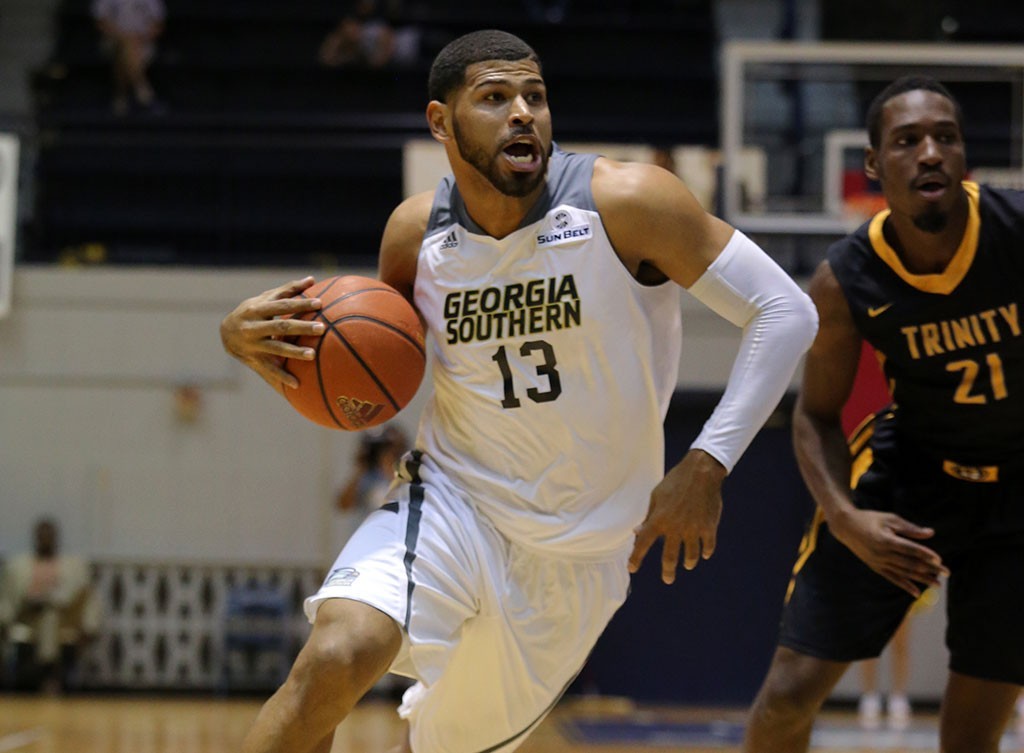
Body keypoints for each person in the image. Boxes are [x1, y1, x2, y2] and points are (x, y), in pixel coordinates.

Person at [220, 29, 817, 753]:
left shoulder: (629, 202)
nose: (523, 113)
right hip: (453, 502)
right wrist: (254, 341)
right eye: (495, 98)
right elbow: (371, 378)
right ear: (440, 121)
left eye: (535, 96)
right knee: (334, 658)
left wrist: (707, 462)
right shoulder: (416, 235)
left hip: (578, 556)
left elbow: (788, 311)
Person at [743, 75, 1024, 753]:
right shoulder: (847, 278)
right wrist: (847, 518)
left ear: (965, 158)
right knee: (787, 693)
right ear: (873, 164)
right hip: (911, 478)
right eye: (908, 140)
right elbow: (814, 416)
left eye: (945, 138)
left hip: (1017, 489)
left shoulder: (1014, 231)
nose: (930, 152)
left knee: (973, 734)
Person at [0, 518, 100, 692]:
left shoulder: (72, 566)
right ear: (36, 538)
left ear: (56, 538)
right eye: (42, 536)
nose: (46, 540)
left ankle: (46, 671)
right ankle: (48, 673)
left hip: (63, 617)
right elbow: (8, 598)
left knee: (50, 613)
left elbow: (86, 597)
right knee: (46, 613)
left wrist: (90, 625)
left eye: (49, 536)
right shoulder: (20, 566)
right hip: (28, 617)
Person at [91, 0, 166, 115]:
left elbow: (158, 25)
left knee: (124, 56)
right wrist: (123, 37)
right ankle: (143, 92)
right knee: (126, 45)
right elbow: (101, 22)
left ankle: (121, 96)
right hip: (112, 41)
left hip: (143, 43)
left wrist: (140, 38)